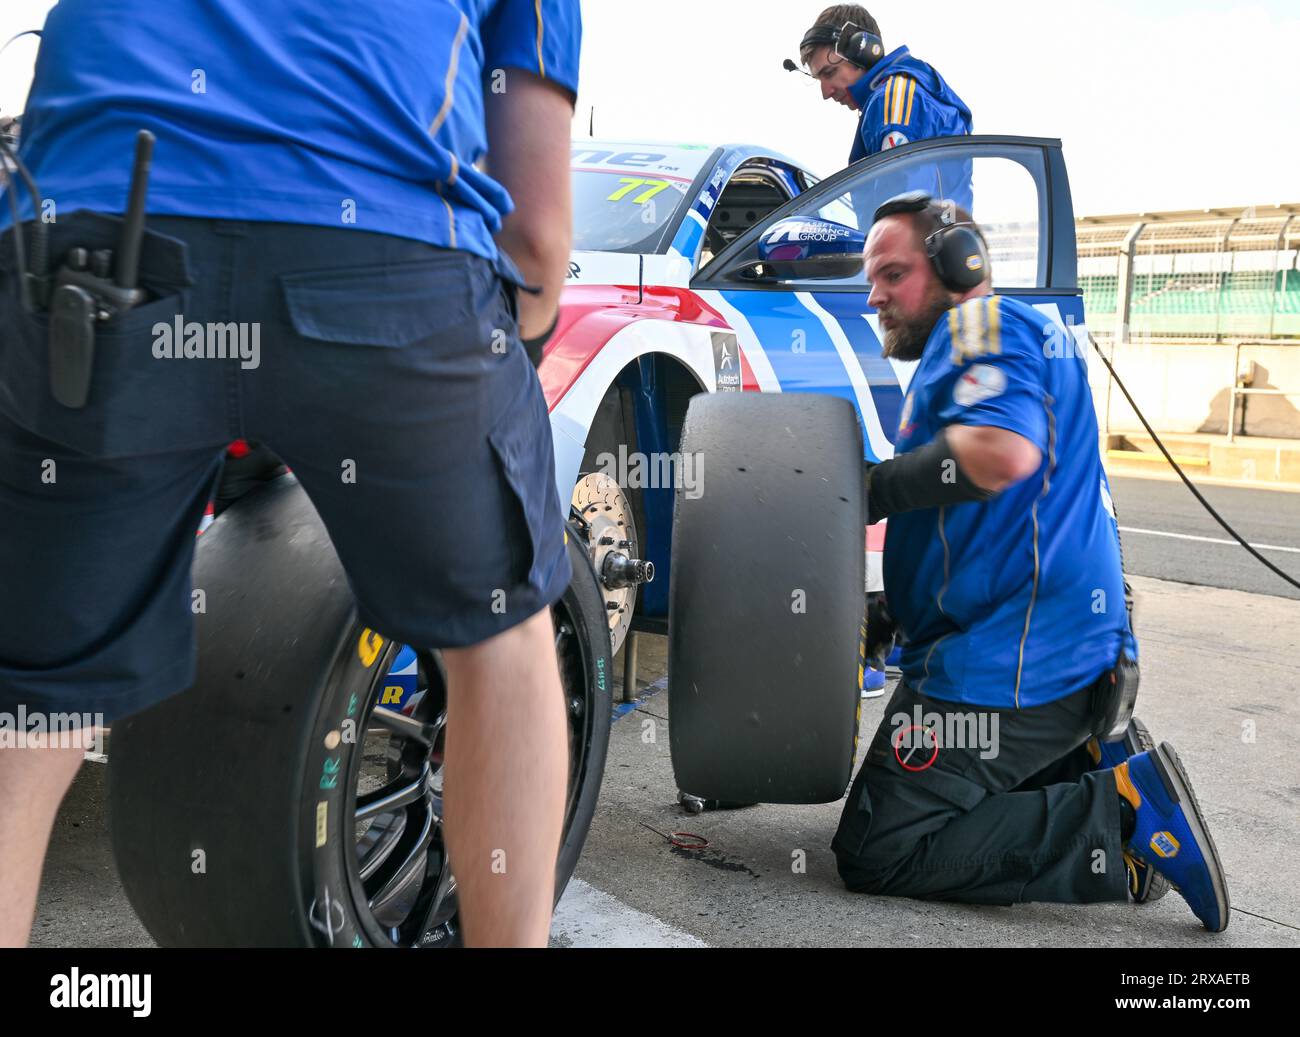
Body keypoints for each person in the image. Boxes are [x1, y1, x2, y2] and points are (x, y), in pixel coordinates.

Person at [0, 0, 581, 948]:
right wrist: (479, 396)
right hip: (376, 238)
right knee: (499, 635)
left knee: (28, 706)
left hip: (94, 233)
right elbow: (539, 242)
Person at [832, 192, 1230, 932]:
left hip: (1009, 671)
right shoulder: (1011, 336)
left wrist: (869, 490)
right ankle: (1086, 767)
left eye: (892, 273)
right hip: (1049, 655)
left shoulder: (978, 326)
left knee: (879, 847)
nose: (874, 294)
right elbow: (995, 519)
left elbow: (1001, 456)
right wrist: (899, 609)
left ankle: (1120, 824)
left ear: (960, 264)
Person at [798, 4, 973, 210]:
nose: (825, 92)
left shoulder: (895, 102)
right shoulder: (910, 91)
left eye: (829, 73)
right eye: (818, 78)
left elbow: (904, 212)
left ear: (862, 52)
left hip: (917, 241)